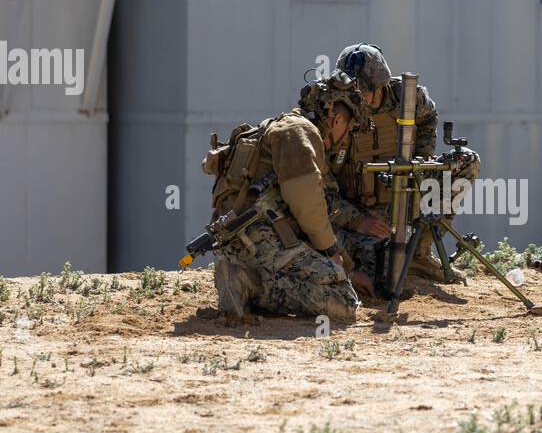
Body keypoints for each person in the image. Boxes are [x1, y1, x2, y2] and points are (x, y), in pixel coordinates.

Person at [203, 73, 378, 320]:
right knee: (344, 302)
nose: (344, 142)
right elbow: (306, 203)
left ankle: (246, 277)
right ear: (337, 120)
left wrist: (345, 266)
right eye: (348, 131)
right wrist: (333, 257)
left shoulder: (283, 127)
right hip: (258, 237)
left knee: (337, 276)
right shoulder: (300, 131)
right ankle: (250, 285)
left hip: (246, 239)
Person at [330, 43, 480, 282]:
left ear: (379, 86)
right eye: (350, 87)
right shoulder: (337, 109)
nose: (355, 96)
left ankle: (421, 251)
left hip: (407, 192)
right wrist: (358, 220)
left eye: (361, 90)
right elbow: (322, 186)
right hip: (361, 210)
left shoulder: (407, 96)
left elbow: (429, 117)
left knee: (466, 161)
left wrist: (422, 161)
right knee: (385, 271)